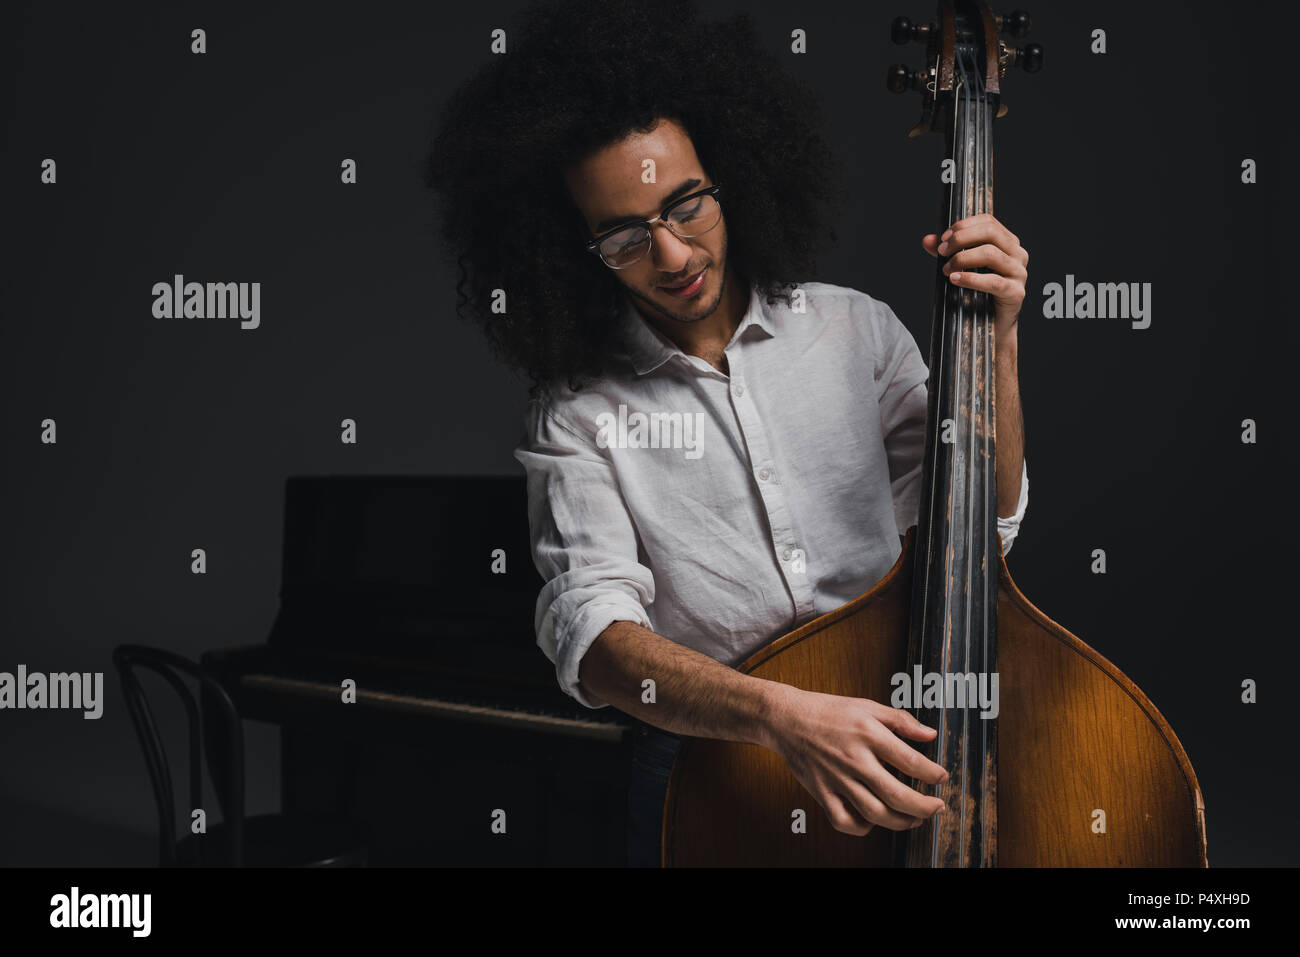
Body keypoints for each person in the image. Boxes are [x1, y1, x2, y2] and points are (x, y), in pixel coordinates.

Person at [425, 0, 1029, 867]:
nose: (671, 256)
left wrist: (998, 341)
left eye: (687, 204)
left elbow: (985, 528)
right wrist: (777, 713)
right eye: (626, 236)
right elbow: (593, 639)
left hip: (904, 733)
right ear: (570, 250)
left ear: (732, 172)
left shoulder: (858, 333)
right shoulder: (578, 412)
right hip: (714, 767)